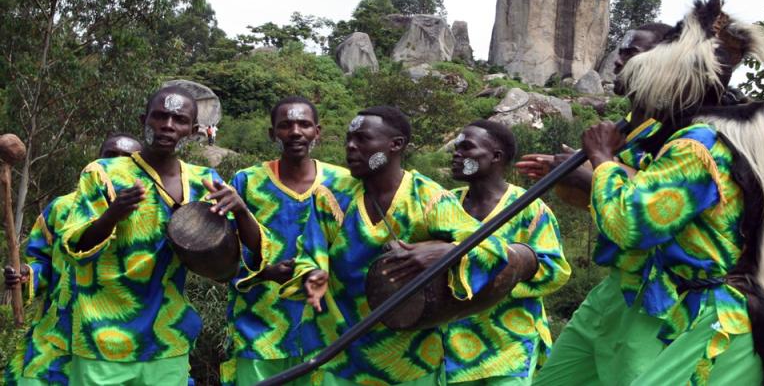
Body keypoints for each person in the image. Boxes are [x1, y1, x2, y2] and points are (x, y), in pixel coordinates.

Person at [535, 0, 764, 385]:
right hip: (639, 292)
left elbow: (631, 223)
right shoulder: (675, 137)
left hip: (698, 308)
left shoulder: (700, 145)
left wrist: (603, 159)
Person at [280, 106, 510, 386]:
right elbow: (310, 254)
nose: (351, 146)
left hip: (411, 361)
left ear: (396, 145)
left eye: (363, 139)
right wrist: (312, 274)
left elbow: (492, 250)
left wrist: (447, 252)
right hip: (340, 355)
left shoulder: (428, 198)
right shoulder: (331, 197)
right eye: (349, 138)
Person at [60, 86, 268, 386]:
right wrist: (112, 215)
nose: (168, 126)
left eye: (179, 120)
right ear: (144, 120)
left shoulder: (205, 181)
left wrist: (242, 211)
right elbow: (75, 245)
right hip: (102, 335)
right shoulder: (103, 173)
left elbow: (243, 259)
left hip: (168, 334)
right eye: (159, 116)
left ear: (194, 130)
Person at [220, 96, 350, 386]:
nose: (295, 132)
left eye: (304, 124)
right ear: (272, 133)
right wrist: (264, 273)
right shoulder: (247, 182)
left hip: (326, 329)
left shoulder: (341, 183)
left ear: (318, 131)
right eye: (285, 125)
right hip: (259, 326)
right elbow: (226, 251)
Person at [3, 134, 142, 386]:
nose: (117, 164)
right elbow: (42, 261)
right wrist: (26, 273)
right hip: (59, 330)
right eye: (110, 157)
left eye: (128, 160)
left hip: (120, 338)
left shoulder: (153, 212)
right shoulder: (62, 208)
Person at [444, 120, 570, 384]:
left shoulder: (528, 207)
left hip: (510, 342)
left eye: (467, 147)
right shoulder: (446, 205)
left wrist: (505, 272)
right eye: (456, 147)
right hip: (455, 345)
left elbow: (554, 270)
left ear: (496, 157)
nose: (457, 154)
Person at [515, 22, 672, 208]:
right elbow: (624, 174)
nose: (618, 61)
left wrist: (583, 175)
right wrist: (571, 163)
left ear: (665, 62)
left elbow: (657, 206)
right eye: (620, 52)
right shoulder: (630, 123)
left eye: (630, 54)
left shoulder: (681, 130)